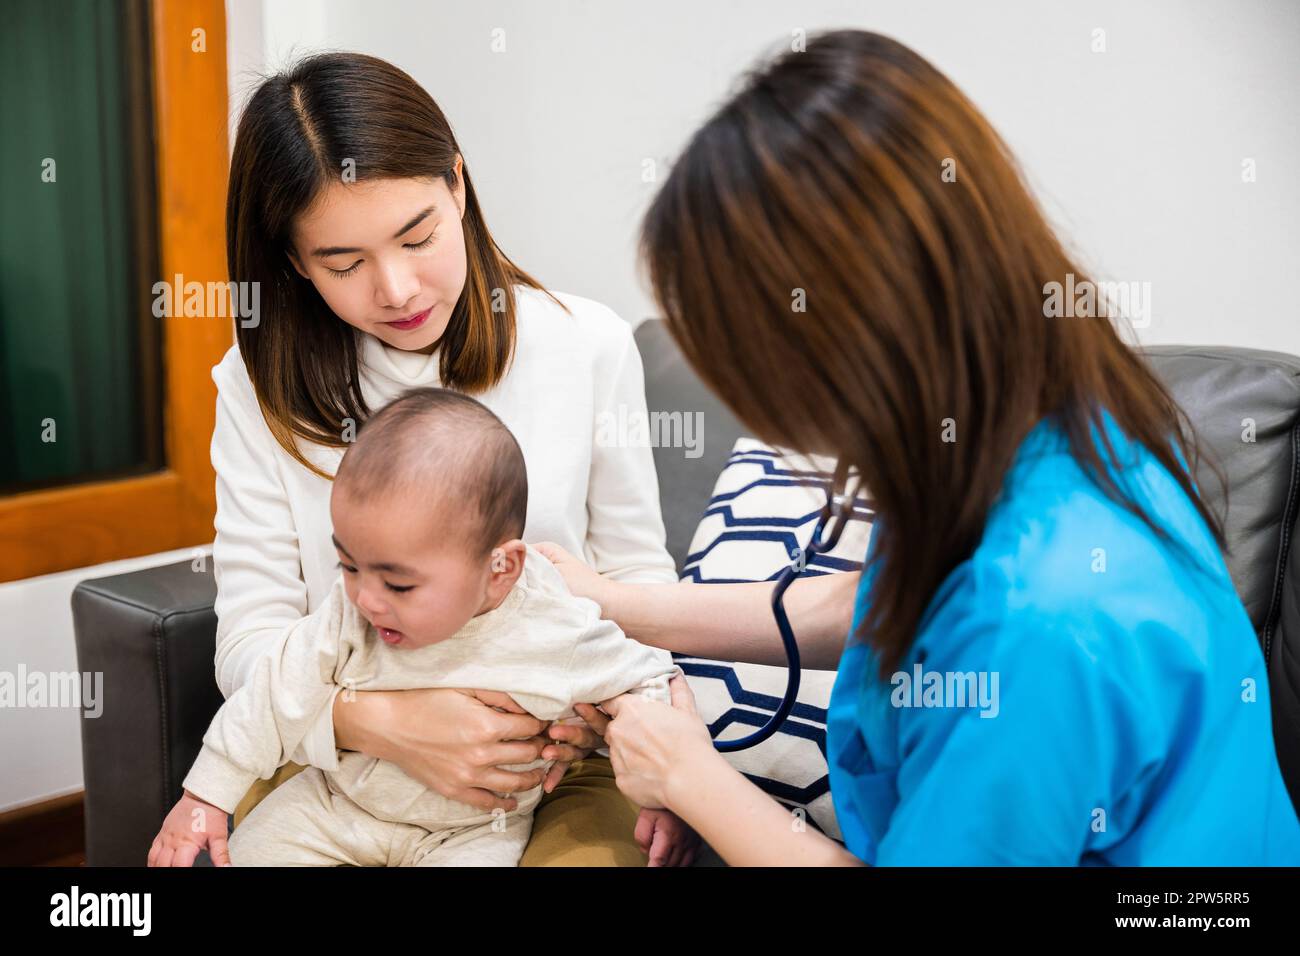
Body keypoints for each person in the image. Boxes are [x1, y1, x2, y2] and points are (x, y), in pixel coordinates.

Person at [538, 30, 1300, 865]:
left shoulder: (1039, 632)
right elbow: (878, 605)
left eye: (740, 353)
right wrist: (615, 603)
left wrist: (691, 777)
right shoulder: (1037, 426)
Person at [215, 51, 695, 865]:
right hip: (338, 767)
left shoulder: (587, 346)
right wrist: (391, 723)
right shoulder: (253, 383)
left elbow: (639, 590)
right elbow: (250, 643)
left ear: (459, 188)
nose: (397, 288)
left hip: (549, 762)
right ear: (295, 263)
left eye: (418, 235)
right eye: (343, 262)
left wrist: (667, 749)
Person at [149, 390, 687, 866]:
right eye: (350, 565)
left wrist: (665, 794)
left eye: (400, 586)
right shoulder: (347, 612)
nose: (367, 599)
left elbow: (650, 681)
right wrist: (203, 800)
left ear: (501, 570)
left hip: (475, 831)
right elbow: (269, 695)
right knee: (257, 851)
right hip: (338, 804)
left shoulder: (555, 625)